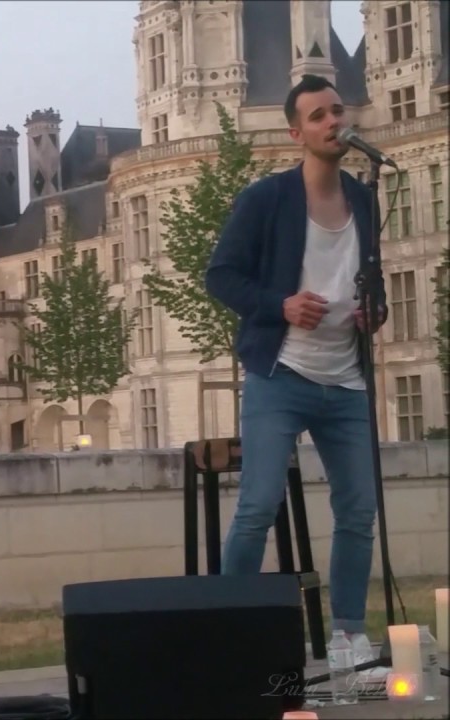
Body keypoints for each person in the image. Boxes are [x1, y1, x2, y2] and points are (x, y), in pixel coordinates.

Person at [205, 74, 386, 658]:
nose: (333, 122)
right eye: (318, 116)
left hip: (346, 379)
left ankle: (349, 634)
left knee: (358, 511)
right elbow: (220, 276)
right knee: (257, 506)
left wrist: (374, 312)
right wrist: (279, 304)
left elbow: (372, 281)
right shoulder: (268, 198)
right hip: (281, 375)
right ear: (296, 133)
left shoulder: (363, 198)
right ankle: (229, 634)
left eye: (337, 111)